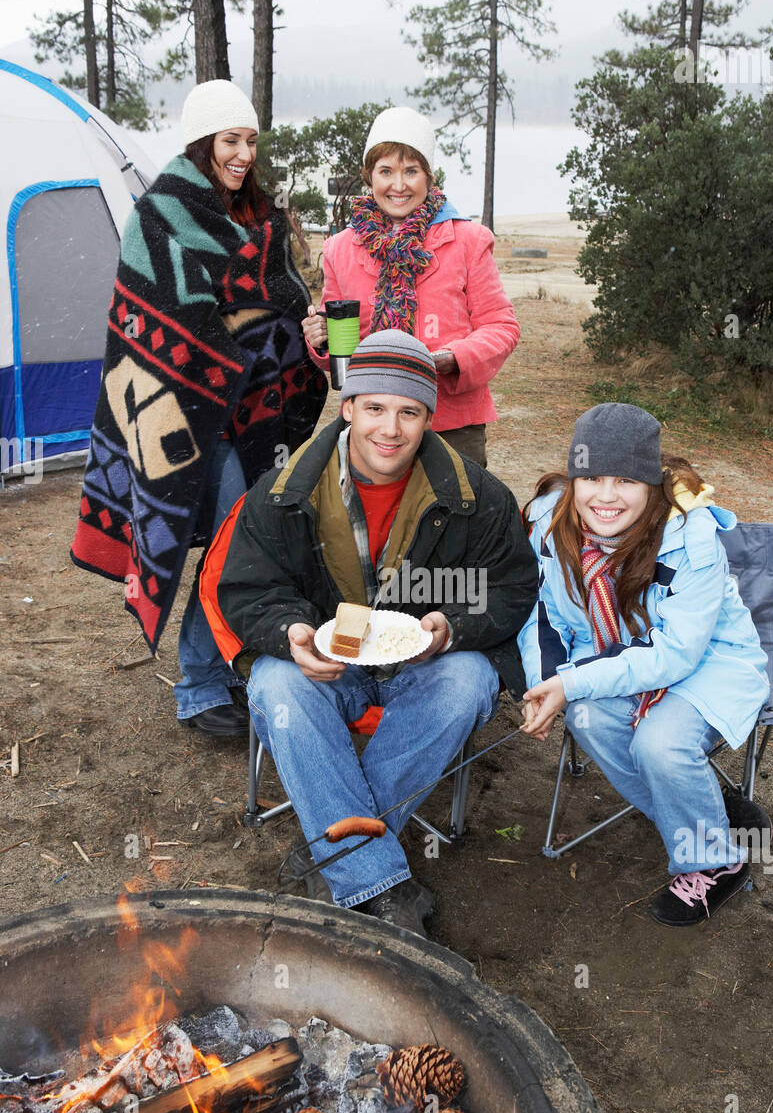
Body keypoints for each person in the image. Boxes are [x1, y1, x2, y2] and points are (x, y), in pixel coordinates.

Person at [216, 329, 538, 934]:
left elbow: (513, 587)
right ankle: (380, 883)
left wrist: (453, 625)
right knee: (276, 687)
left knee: (470, 677)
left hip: (421, 663)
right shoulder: (283, 492)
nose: (390, 429)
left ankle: (336, 853)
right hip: (328, 665)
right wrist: (292, 634)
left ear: (428, 419)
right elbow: (248, 592)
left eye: (409, 412)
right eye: (375, 408)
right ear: (348, 409)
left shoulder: (477, 497)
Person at [71, 79, 327, 735]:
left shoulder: (264, 218)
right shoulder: (161, 214)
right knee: (234, 543)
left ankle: (221, 673)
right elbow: (149, 316)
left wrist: (307, 326)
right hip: (185, 416)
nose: (242, 154)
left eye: (249, 141)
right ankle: (201, 685)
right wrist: (236, 326)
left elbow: (283, 297)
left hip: (255, 416)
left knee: (242, 545)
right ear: (202, 142)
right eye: (230, 140)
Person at [518, 402, 771, 926]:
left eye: (626, 480)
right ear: (573, 477)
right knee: (584, 715)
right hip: (611, 655)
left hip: (704, 661)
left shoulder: (691, 538)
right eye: (591, 477)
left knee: (660, 743)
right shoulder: (548, 522)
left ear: (651, 485)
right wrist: (545, 684)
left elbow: (676, 650)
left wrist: (573, 680)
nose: (605, 497)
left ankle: (717, 861)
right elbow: (541, 617)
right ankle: (708, 817)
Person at [301, 106, 519, 469]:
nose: (398, 185)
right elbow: (341, 352)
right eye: (386, 171)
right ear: (370, 176)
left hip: (451, 425)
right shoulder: (340, 248)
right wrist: (321, 338)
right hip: (371, 425)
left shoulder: (468, 241)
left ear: (428, 177)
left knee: (455, 522)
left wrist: (453, 359)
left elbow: (502, 327)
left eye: (411, 172)